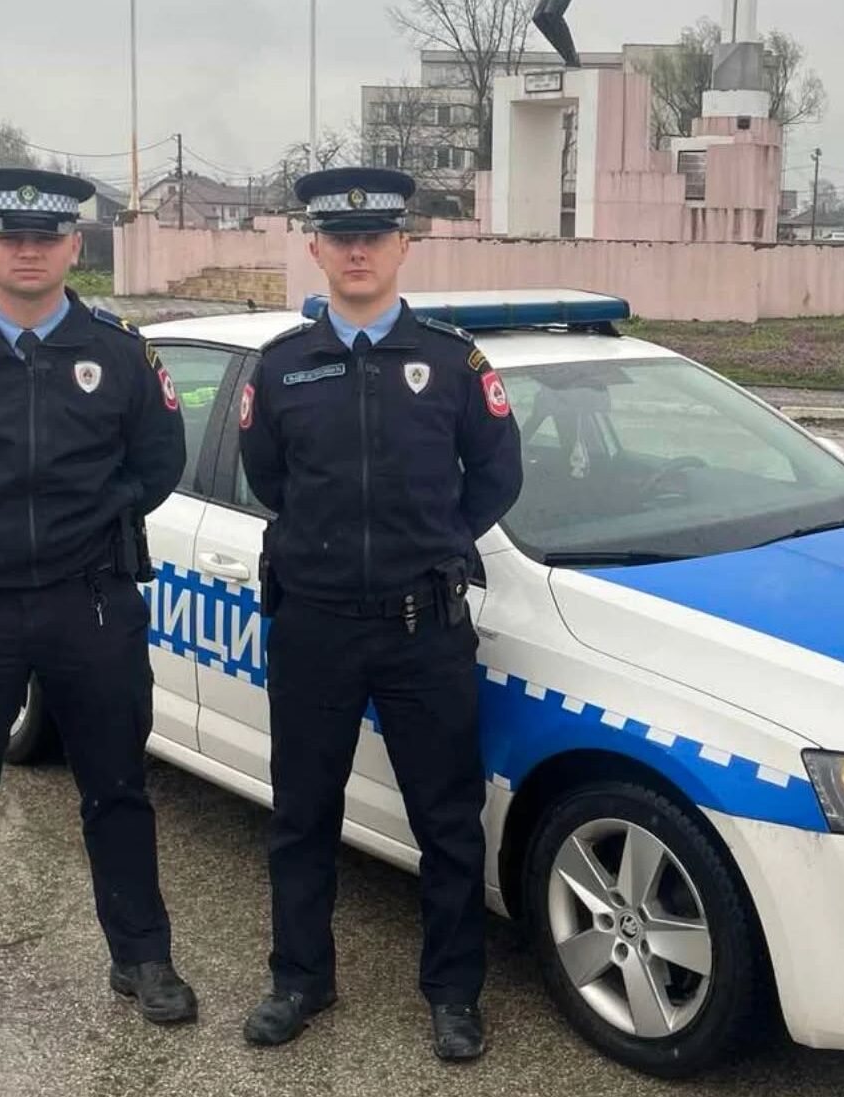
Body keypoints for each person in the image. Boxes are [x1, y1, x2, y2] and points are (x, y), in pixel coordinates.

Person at [0, 168, 197, 1062]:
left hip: (89, 603)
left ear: (72, 246)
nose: (27, 249)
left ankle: (143, 958)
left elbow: (157, 461)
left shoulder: (122, 352)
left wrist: (89, 518)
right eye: (9, 234)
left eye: (45, 236)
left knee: (119, 791)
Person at [238, 167, 523, 1061]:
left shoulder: (451, 361)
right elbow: (269, 478)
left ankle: (452, 993)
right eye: (340, 237)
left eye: (376, 236)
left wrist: (431, 543)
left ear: (404, 245)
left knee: (445, 818)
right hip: (315, 626)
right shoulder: (282, 365)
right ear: (315, 248)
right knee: (302, 813)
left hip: (422, 627)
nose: (357, 251)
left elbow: (498, 475)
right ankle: (300, 978)